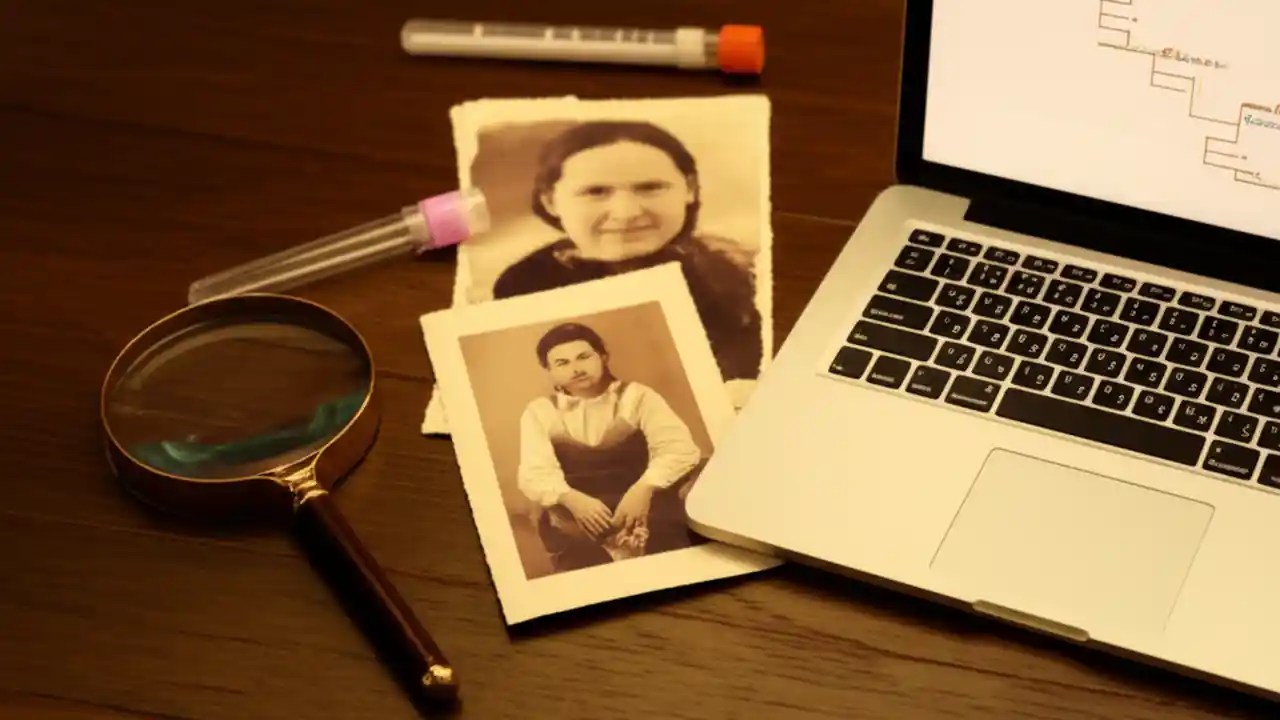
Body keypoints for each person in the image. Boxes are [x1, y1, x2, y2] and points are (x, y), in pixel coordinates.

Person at [491, 120, 763, 382]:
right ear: (550, 201)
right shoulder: (525, 284)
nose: (627, 213)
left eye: (651, 188)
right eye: (595, 192)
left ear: (689, 189)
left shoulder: (738, 272)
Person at [515, 322, 706, 572]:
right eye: (562, 363)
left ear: (603, 357)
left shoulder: (638, 397)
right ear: (549, 371)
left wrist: (643, 488)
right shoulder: (539, 411)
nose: (576, 369)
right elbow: (534, 472)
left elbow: (679, 449)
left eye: (584, 357)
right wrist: (571, 499)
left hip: (649, 512)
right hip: (580, 523)